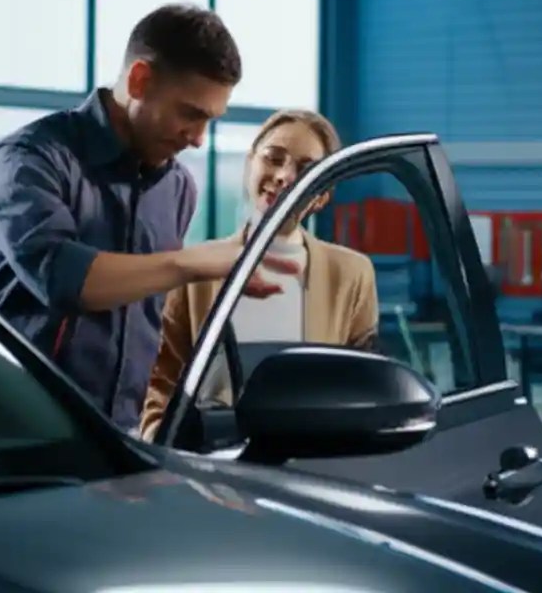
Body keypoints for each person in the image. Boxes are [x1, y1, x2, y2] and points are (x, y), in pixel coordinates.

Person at [0, 3, 297, 432]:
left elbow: (149, 313)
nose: (199, 140)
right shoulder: (30, 160)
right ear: (140, 80)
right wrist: (194, 263)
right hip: (20, 434)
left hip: (125, 438)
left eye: (210, 121)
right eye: (190, 114)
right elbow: (65, 279)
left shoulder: (178, 187)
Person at [138, 109, 379, 442]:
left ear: (323, 195)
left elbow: (361, 387)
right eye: (273, 158)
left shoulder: (352, 274)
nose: (284, 176)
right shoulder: (196, 267)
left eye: (307, 171)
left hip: (313, 462)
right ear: (250, 163)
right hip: (212, 464)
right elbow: (162, 381)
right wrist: (160, 444)